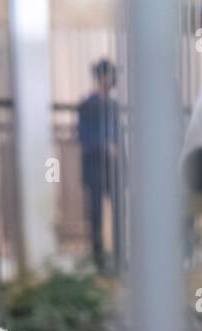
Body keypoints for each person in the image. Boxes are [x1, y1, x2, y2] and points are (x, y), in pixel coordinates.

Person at [77, 59, 123, 273]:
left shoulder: (113, 105)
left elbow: (119, 136)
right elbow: (82, 135)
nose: (113, 80)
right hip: (95, 164)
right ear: (102, 77)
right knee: (96, 214)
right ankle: (98, 260)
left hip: (115, 166)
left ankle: (120, 257)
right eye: (110, 75)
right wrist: (104, 146)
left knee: (119, 212)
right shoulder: (87, 103)